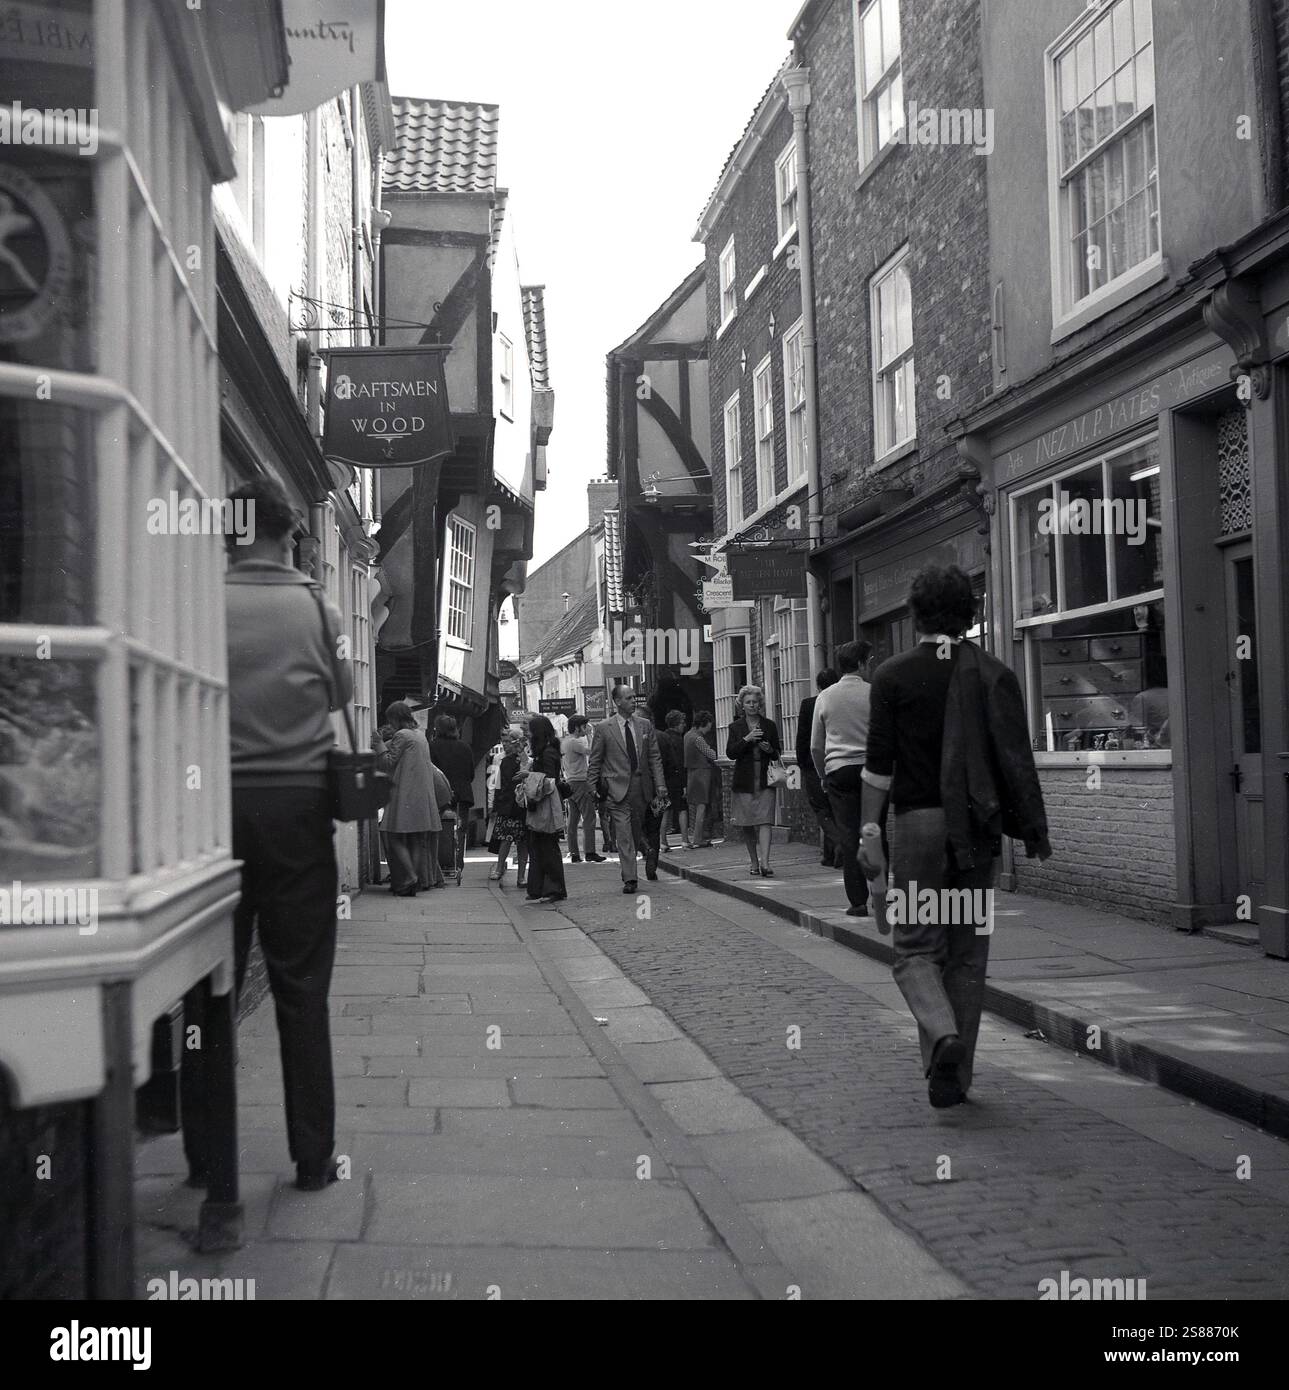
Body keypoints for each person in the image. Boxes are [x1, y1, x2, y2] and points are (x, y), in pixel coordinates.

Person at [187, 474, 351, 1193]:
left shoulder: (196, 604)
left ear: (232, 529)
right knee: (302, 989)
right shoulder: (317, 608)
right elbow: (340, 697)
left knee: (208, 996)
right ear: (291, 533)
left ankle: (208, 1171)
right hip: (297, 809)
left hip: (210, 813)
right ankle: (312, 1160)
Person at [859, 564, 1052, 1109]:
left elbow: (877, 769)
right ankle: (953, 1077)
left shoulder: (892, 677)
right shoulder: (992, 673)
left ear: (914, 613)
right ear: (969, 614)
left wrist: (869, 831)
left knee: (916, 948)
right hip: (977, 831)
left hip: (918, 827)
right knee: (967, 953)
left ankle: (941, 1036)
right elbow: (1016, 758)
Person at [811, 642, 875, 917]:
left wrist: (823, 776)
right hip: (871, 771)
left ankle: (858, 901)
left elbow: (816, 745)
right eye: (868, 661)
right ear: (861, 664)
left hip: (839, 770)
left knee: (849, 836)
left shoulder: (825, 697)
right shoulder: (874, 693)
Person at [587, 684, 667, 893]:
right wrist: (592, 786)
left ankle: (639, 856)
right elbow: (595, 760)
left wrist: (660, 784)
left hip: (641, 788)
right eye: (629, 698)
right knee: (623, 833)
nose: (634, 701)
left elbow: (654, 757)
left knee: (635, 830)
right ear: (618, 702)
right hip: (616, 788)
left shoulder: (645, 725)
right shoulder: (604, 728)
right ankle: (630, 878)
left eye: (634, 697)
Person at [372, 703, 440, 895]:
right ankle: (414, 880)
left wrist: (378, 744)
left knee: (393, 836)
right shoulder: (420, 735)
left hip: (405, 793)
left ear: (396, 718)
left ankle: (410, 876)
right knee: (417, 838)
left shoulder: (402, 735)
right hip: (422, 793)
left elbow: (387, 763)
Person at [726, 685, 781, 877]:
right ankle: (754, 861)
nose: (752, 705)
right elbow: (731, 753)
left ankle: (766, 863)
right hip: (745, 779)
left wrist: (769, 749)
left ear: (760, 704)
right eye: (748, 702)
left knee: (765, 821)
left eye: (755, 702)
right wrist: (747, 738)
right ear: (742, 704)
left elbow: (776, 753)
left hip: (765, 779)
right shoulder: (736, 727)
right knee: (747, 823)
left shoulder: (769, 725)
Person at [797, 669, 843, 869]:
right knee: (834, 808)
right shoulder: (840, 701)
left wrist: (802, 762)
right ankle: (829, 855)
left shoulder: (809, 704)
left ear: (818, 686)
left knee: (821, 808)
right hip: (838, 760)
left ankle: (839, 843)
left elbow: (802, 737)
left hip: (812, 763)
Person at [522, 714, 568, 904]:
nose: (528, 733)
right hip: (544, 803)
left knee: (545, 845)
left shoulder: (547, 753)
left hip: (545, 804)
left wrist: (528, 775)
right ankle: (541, 888)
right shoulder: (548, 750)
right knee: (541, 845)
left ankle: (552, 887)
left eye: (530, 729)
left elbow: (548, 780)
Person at [430, 713, 475, 869]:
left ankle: (442, 862)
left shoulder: (432, 746)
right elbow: (471, 773)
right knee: (460, 829)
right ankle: (457, 863)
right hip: (462, 794)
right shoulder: (465, 747)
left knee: (439, 827)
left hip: (439, 794)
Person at [561, 714, 604, 863]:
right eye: (584, 726)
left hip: (569, 781)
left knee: (573, 819)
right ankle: (590, 851)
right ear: (577, 727)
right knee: (589, 816)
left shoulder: (565, 742)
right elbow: (592, 752)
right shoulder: (574, 742)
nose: (586, 729)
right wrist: (591, 735)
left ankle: (574, 853)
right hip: (580, 781)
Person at [488, 728, 529, 885]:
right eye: (504, 742)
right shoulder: (503, 761)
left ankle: (521, 876)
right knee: (506, 839)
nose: (505, 745)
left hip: (521, 805)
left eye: (508, 742)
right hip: (508, 805)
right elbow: (498, 784)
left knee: (522, 842)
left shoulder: (526, 760)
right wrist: (495, 804)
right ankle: (499, 868)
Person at [683, 710, 720, 849]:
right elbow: (711, 754)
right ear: (703, 724)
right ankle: (698, 838)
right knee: (701, 807)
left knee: (696, 807)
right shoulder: (698, 738)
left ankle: (697, 837)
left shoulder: (687, 735)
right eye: (709, 725)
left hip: (692, 774)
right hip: (702, 774)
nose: (710, 728)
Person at [658, 709, 689, 851]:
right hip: (676, 779)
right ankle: (685, 840)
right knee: (682, 809)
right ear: (676, 724)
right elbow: (680, 763)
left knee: (665, 810)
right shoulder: (679, 740)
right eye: (682, 722)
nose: (684, 725)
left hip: (663, 779)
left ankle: (662, 842)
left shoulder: (661, 737)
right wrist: (684, 784)